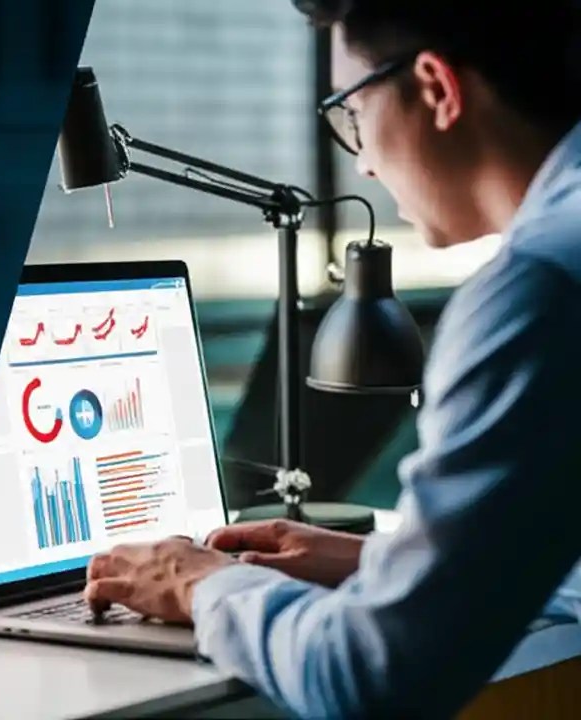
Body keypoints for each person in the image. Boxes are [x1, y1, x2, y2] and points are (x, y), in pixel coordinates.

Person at [84, 1, 581, 717]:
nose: (363, 163)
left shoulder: (539, 292)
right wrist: (383, 564)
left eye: (351, 112)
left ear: (437, 88)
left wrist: (199, 585)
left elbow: (370, 677)